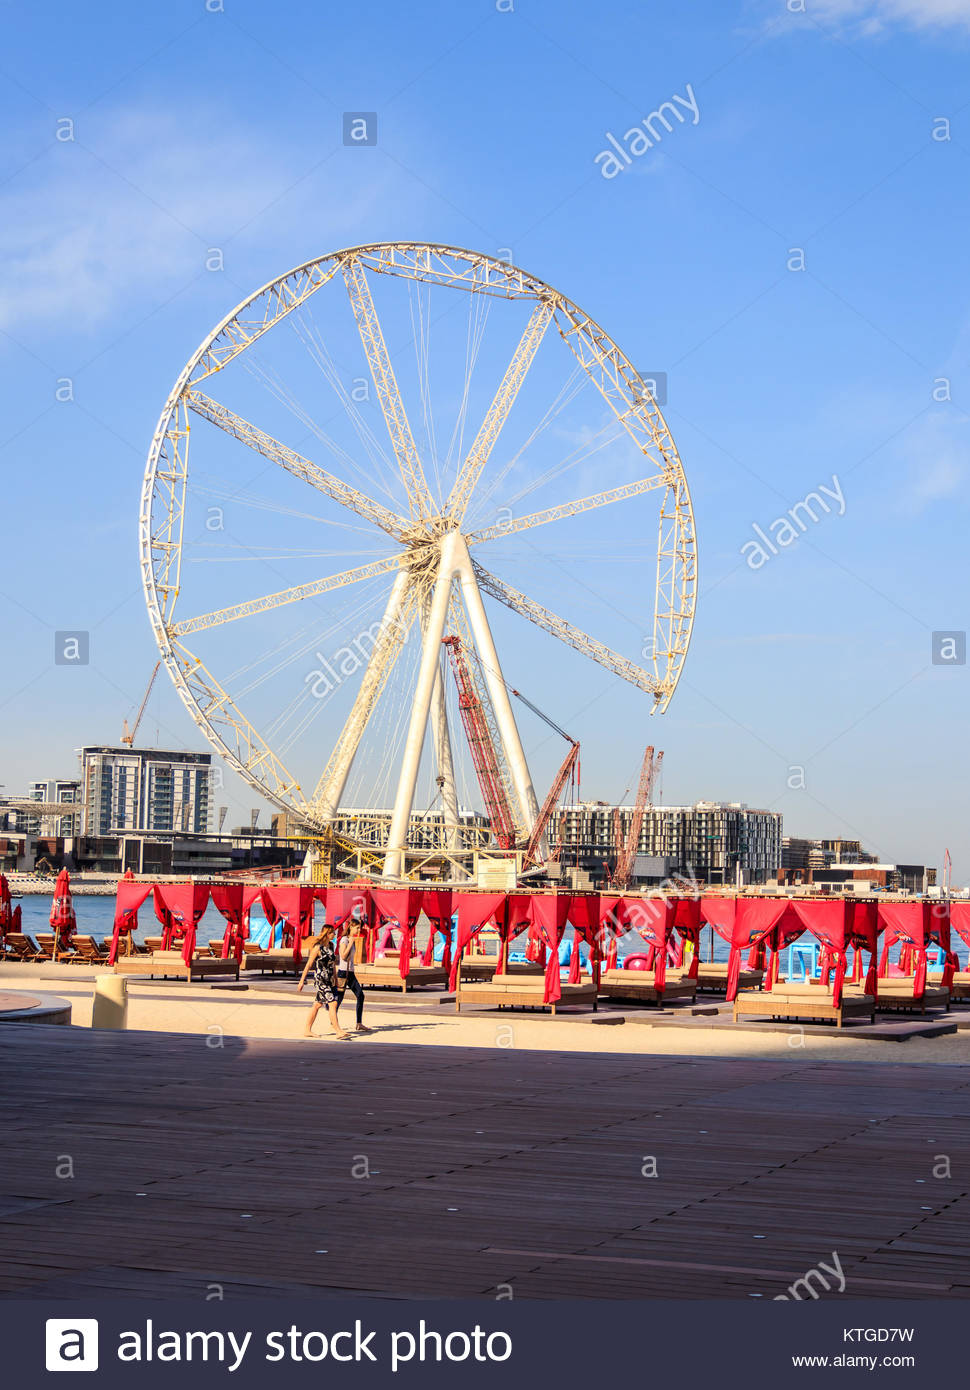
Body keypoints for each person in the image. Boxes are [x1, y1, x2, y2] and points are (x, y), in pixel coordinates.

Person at [298, 926, 349, 1040]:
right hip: (321, 980)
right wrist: (302, 980)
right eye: (332, 933)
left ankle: (307, 1030)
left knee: (317, 1005)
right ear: (327, 933)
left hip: (330, 980)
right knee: (333, 1003)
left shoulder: (331, 946)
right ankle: (338, 1031)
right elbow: (309, 964)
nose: (334, 935)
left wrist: (335, 980)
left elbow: (333, 965)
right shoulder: (318, 948)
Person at [337, 916, 370, 1033]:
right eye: (357, 928)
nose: (358, 930)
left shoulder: (352, 940)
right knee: (339, 998)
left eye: (359, 928)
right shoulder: (344, 940)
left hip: (350, 972)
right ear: (351, 927)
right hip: (343, 972)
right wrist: (351, 944)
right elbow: (343, 956)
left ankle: (359, 1023)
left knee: (360, 995)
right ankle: (333, 1022)